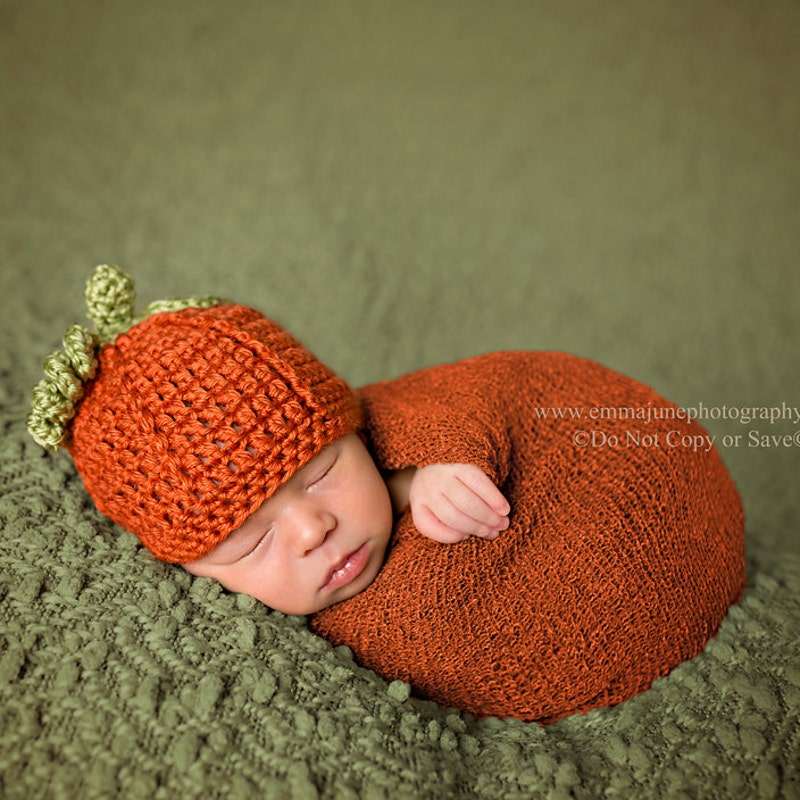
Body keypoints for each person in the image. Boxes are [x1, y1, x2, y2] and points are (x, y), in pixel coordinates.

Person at [28, 265, 746, 723]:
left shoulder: (386, 433)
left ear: (348, 426)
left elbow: (458, 408)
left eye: (319, 472)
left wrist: (422, 475)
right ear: (188, 570)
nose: (313, 528)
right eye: (250, 539)